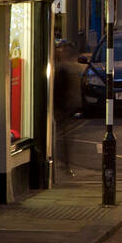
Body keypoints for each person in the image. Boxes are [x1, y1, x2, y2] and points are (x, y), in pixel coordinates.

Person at [52, 40, 80, 177]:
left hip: (66, 109)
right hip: (61, 109)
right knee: (63, 138)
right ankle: (63, 164)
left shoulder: (66, 68)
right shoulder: (60, 69)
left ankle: (64, 163)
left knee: (65, 138)